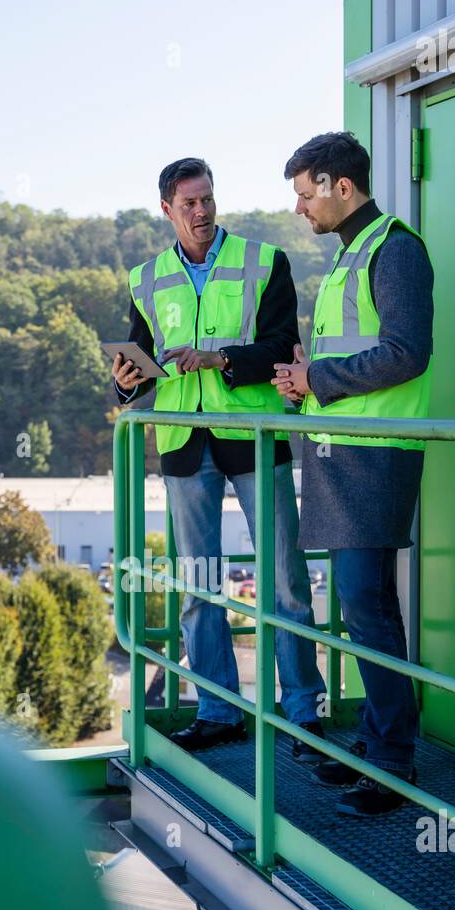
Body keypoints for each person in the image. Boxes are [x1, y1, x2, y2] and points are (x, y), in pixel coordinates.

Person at [113, 156, 324, 754]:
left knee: (284, 579)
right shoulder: (145, 279)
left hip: (255, 434)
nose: (202, 212)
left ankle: (302, 712)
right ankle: (217, 709)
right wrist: (126, 380)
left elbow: (285, 345)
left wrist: (223, 359)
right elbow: (138, 372)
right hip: (183, 444)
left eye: (208, 199)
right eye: (189, 204)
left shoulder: (264, 262)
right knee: (198, 583)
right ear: (167, 211)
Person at [273, 132, 433, 816]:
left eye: (307, 195)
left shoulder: (394, 249)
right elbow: (353, 357)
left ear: (342, 186)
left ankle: (394, 761)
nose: (302, 209)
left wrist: (319, 378)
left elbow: (407, 354)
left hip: (376, 453)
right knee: (360, 607)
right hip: (341, 450)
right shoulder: (348, 257)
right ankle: (375, 745)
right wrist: (304, 385)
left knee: (369, 606)